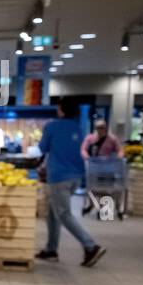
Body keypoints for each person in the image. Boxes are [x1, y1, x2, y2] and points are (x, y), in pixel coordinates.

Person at [36, 99, 105, 266]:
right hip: (76, 177)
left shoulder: (52, 126)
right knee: (53, 214)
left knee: (64, 214)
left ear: (61, 110)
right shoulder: (79, 128)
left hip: (59, 176)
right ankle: (51, 250)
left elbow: (43, 147)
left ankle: (90, 246)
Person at [80, 119, 121, 214]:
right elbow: (83, 149)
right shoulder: (90, 138)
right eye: (98, 128)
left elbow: (120, 150)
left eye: (102, 128)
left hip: (108, 168)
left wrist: (118, 158)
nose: (100, 130)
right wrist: (87, 158)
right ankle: (92, 205)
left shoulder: (112, 139)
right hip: (94, 167)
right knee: (92, 187)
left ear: (105, 128)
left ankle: (104, 209)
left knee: (106, 188)